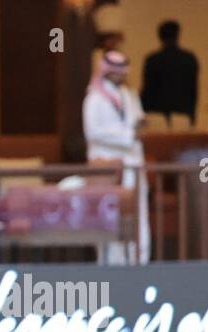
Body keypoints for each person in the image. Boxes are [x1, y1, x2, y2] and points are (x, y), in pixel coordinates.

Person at [83, 49, 149, 265]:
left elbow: (138, 122)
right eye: (116, 72)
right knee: (109, 218)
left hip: (133, 166)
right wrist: (129, 134)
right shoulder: (94, 98)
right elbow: (93, 132)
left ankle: (139, 261)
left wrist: (137, 129)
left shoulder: (130, 96)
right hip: (108, 170)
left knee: (137, 218)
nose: (121, 76)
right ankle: (111, 265)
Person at [140, 20, 199, 128]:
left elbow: (148, 91)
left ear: (160, 37)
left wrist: (143, 113)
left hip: (157, 116)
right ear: (177, 35)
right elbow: (193, 91)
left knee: (159, 144)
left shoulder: (153, 60)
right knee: (181, 144)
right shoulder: (189, 59)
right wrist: (192, 115)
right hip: (183, 115)